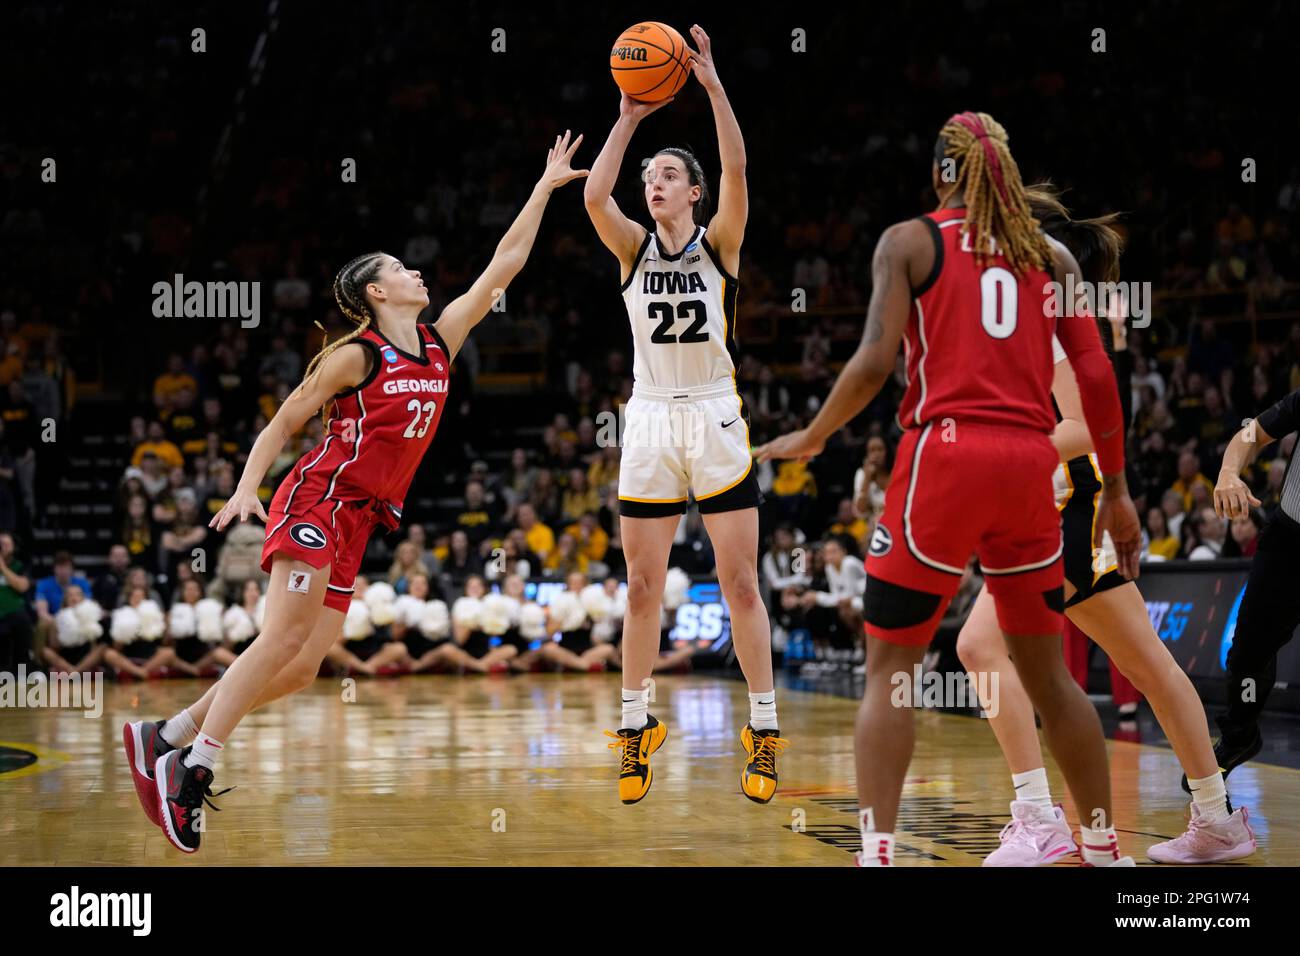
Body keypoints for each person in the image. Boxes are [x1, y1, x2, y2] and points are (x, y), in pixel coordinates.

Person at [122, 131, 589, 853]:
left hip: (360, 521)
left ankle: (168, 733)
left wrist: (544, 187)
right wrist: (248, 488)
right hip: (316, 501)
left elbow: (504, 267)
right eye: (402, 268)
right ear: (376, 291)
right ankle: (192, 767)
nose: (417, 272)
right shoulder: (355, 357)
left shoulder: (440, 340)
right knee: (280, 637)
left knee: (305, 666)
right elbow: (285, 419)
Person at [757, 112, 1141, 867]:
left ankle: (878, 854)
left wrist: (815, 435)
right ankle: (1103, 850)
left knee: (890, 670)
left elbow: (873, 362)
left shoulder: (909, 241)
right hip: (1030, 463)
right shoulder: (1053, 256)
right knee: (1050, 674)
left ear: (940, 172)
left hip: (946, 453)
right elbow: (1095, 375)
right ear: (1002, 169)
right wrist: (1119, 491)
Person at [954, 184, 1253, 866]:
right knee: (1147, 665)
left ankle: (1043, 819)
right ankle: (1215, 819)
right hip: (1044, 508)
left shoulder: (1049, 311)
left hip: (1069, 508)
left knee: (981, 648)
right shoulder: (1019, 313)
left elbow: (1083, 426)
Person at [584, 24, 785, 805]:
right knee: (641, 586)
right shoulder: (632, 249)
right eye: (652, 177)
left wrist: (710, 86)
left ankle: (763, 731)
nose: (655, 184)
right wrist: (630, 118)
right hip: (651, 420)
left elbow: (736, 162)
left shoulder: (720, 246)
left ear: (694, 193)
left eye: (669, 175)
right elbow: (595, 194)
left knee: (741, 585)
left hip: (713, 414)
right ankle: (636, 727)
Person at [1202, 387, 1300, 786]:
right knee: (1248, 650)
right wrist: (1228, 472)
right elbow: (1250, 435)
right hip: (1291, 539)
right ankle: (1240, 734)